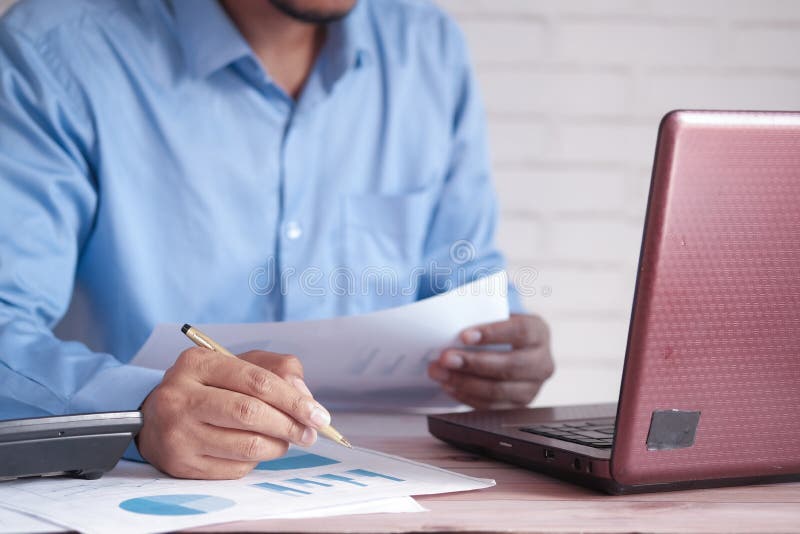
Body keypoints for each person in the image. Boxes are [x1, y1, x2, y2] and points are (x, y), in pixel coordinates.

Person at [0, 0, 554, 479]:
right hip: (135, 492)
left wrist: (503, 351)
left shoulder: (427, 46)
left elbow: (463, 278)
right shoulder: (54, 51)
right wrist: (137, 408)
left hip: (382, 484)